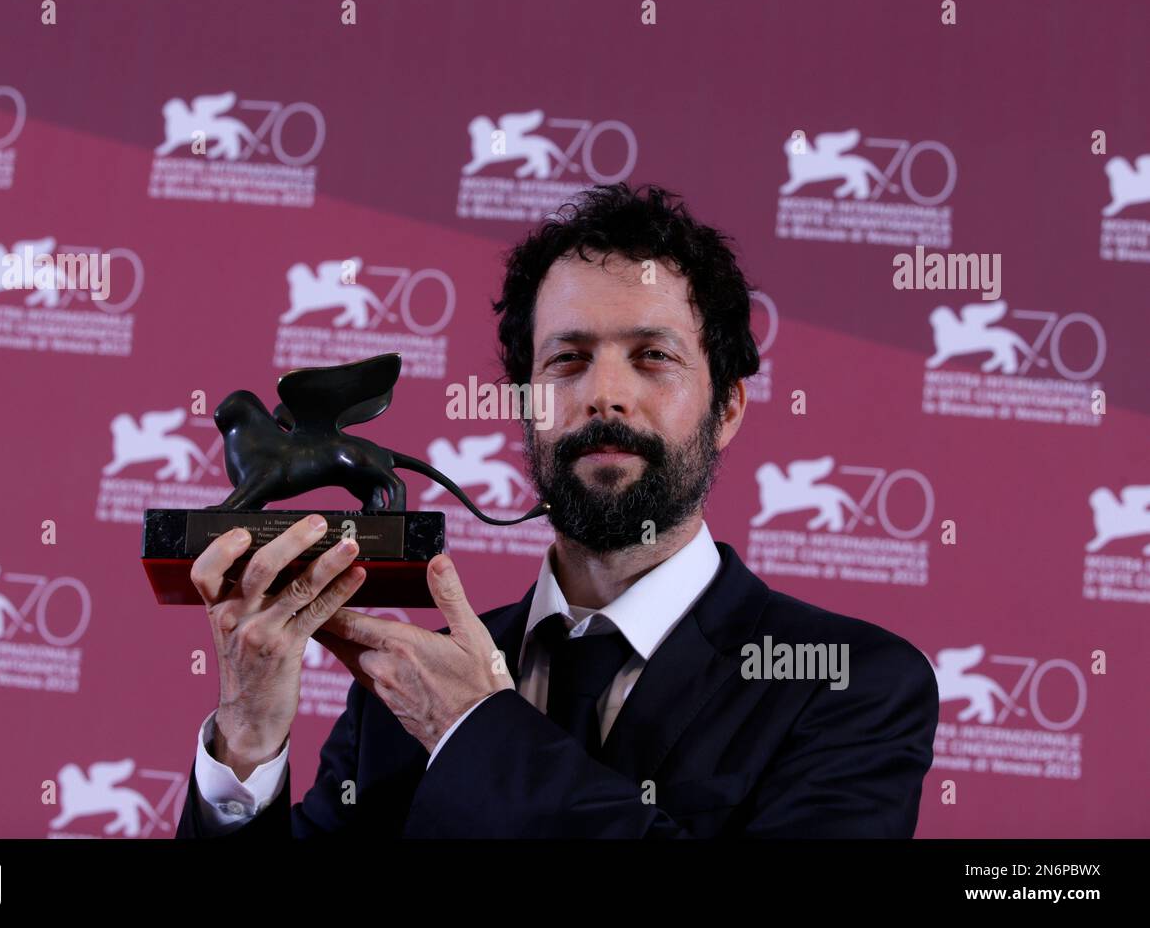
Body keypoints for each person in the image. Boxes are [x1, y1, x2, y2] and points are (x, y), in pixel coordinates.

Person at [176, 182, 939, 839]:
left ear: (729, 406)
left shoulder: (849, 683)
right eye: (566, 360)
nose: (603, 394)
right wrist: (247, 737)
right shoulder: (402, 688)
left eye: (653, 357)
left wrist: (474, 730)